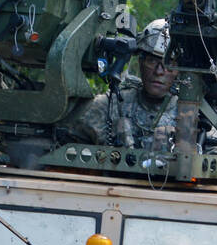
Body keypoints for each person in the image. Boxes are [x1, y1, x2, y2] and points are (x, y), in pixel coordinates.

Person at [65, 19, 178, 149]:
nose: (159, 71)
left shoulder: (191, 115)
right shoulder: (110, 105)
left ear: (179, 72)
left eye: (169, 65)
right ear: (140, 63)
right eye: (152, 61)